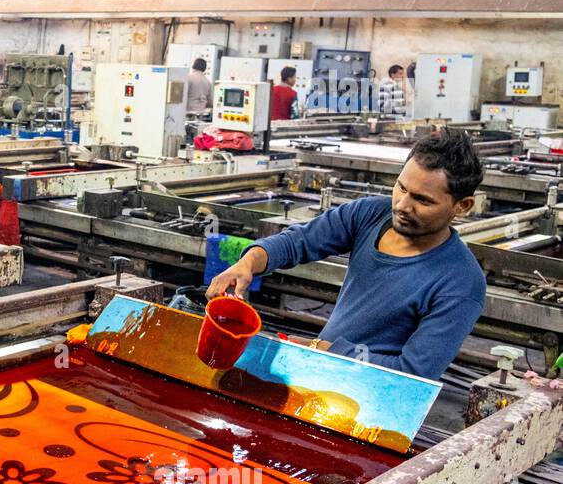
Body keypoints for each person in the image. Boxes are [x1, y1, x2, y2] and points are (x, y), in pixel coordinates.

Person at [206, 128, 486, 380]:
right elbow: (299, 241)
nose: (402, 205)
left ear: (463, 206)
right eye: (401, 187)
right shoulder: (370, 214)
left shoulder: (460, 282)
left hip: (372, 404)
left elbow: (412, 373)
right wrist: (248, 262)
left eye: (422, 200)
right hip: (322, 372)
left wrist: (328, 351)